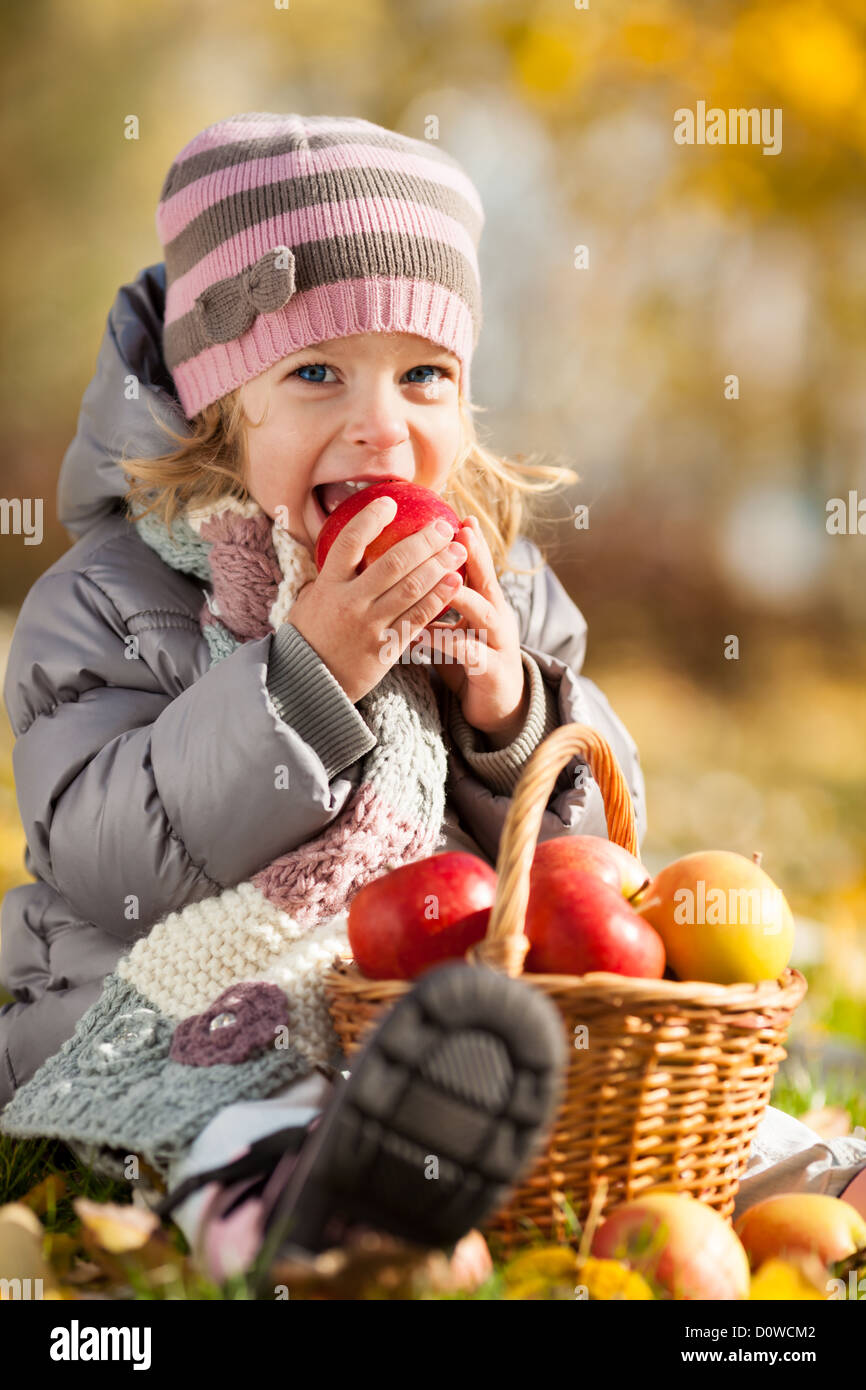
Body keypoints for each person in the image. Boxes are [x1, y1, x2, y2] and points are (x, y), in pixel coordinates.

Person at [0, 112, 862, 1292]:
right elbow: (107, 853)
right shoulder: (107, 597)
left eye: (424, 376)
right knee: (243, 1108)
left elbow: (593, 866)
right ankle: (309, 1212)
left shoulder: (502, 586)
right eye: (316, 373)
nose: (383, 427)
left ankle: (806, 1173)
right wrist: (305, 678)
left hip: (435, 1016)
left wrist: (507, 711)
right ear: (215, 403)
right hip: (180, 1010)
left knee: (599, 1095)